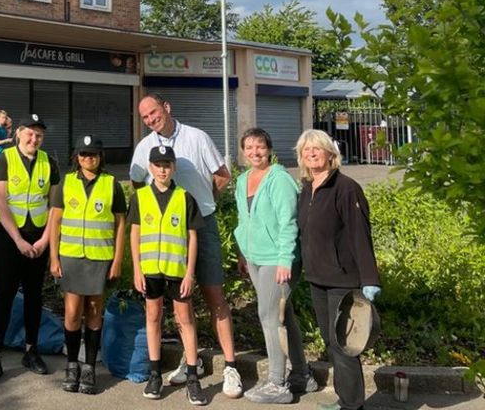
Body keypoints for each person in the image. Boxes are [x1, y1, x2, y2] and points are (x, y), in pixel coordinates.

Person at [129, 93, 242, 398]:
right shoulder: (144, 147)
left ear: (167, 107)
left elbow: (222, 175)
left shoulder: (197, 137)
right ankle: (191, 362)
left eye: (154, 112)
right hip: (165, 237)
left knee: (214, 294)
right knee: (181, 303)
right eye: (145, 117)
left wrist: (203, 204)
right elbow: (137, 182)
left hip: (199, 227)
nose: (151, 119)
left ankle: (230, 366)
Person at [295, 129, 381, 410]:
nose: (311, 153)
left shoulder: (346, 187)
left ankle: (352, 405)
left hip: (343, 278)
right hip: (317, 278)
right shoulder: (307, 187)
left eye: (316, 149)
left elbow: (359, 234)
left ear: (331, 154)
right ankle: (346, 399)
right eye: (306, 150)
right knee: (331, 340)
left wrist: (369, 278)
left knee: (344, 344)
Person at [234, 128, 317, 403]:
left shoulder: (279, 178)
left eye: (260, 147)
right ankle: (302, 375)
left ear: (269, 149)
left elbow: (288, 223)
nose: (254, 152)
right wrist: (244, 255)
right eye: (249, 147)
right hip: (256, 258)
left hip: (278, 260)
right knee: (284, 316)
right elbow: (244, 221)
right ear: (243, 151)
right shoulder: (243, 179)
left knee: (268, 316)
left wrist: (285, 259)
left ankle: (277, 383)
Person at [0, 114, 60, 386]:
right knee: (4, 294)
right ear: (18, 134)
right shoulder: (4, 159)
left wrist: (44, 241)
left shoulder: (49, 163)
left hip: (38, 237)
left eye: (39, 135)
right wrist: (18, 241)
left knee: (34, 296)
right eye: (29, 133)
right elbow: (1, 204)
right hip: (9, 238)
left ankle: (31, 350)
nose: (33, 139)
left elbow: (54, 207)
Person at [48, 135, 127, 395]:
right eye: (83, 155)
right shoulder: (66, 182)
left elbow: (120, 225)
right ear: (76, 157)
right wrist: (53, 257)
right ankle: (72, 364)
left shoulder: (111, 184)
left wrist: (117, 260)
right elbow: (55, 222)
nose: (88, 159)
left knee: (94, 311)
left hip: (99, 257)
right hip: (71, 257)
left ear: (100, 156)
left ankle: (90, 367)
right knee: (72, 313)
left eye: (92, 154)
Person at [131, 146, 207, 406]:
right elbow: (135, 233)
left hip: (177, 270)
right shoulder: (140, 197)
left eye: (167, 164)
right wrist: (137, 269)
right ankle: (155, 374)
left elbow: (192, 237)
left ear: (174, 168)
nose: (162, 169)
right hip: (150, 270)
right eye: (157, 164)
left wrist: (190, 274)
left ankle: (193, 377)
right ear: (150, 167)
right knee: (153, 317)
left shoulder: (185, 197)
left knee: (185, 319)